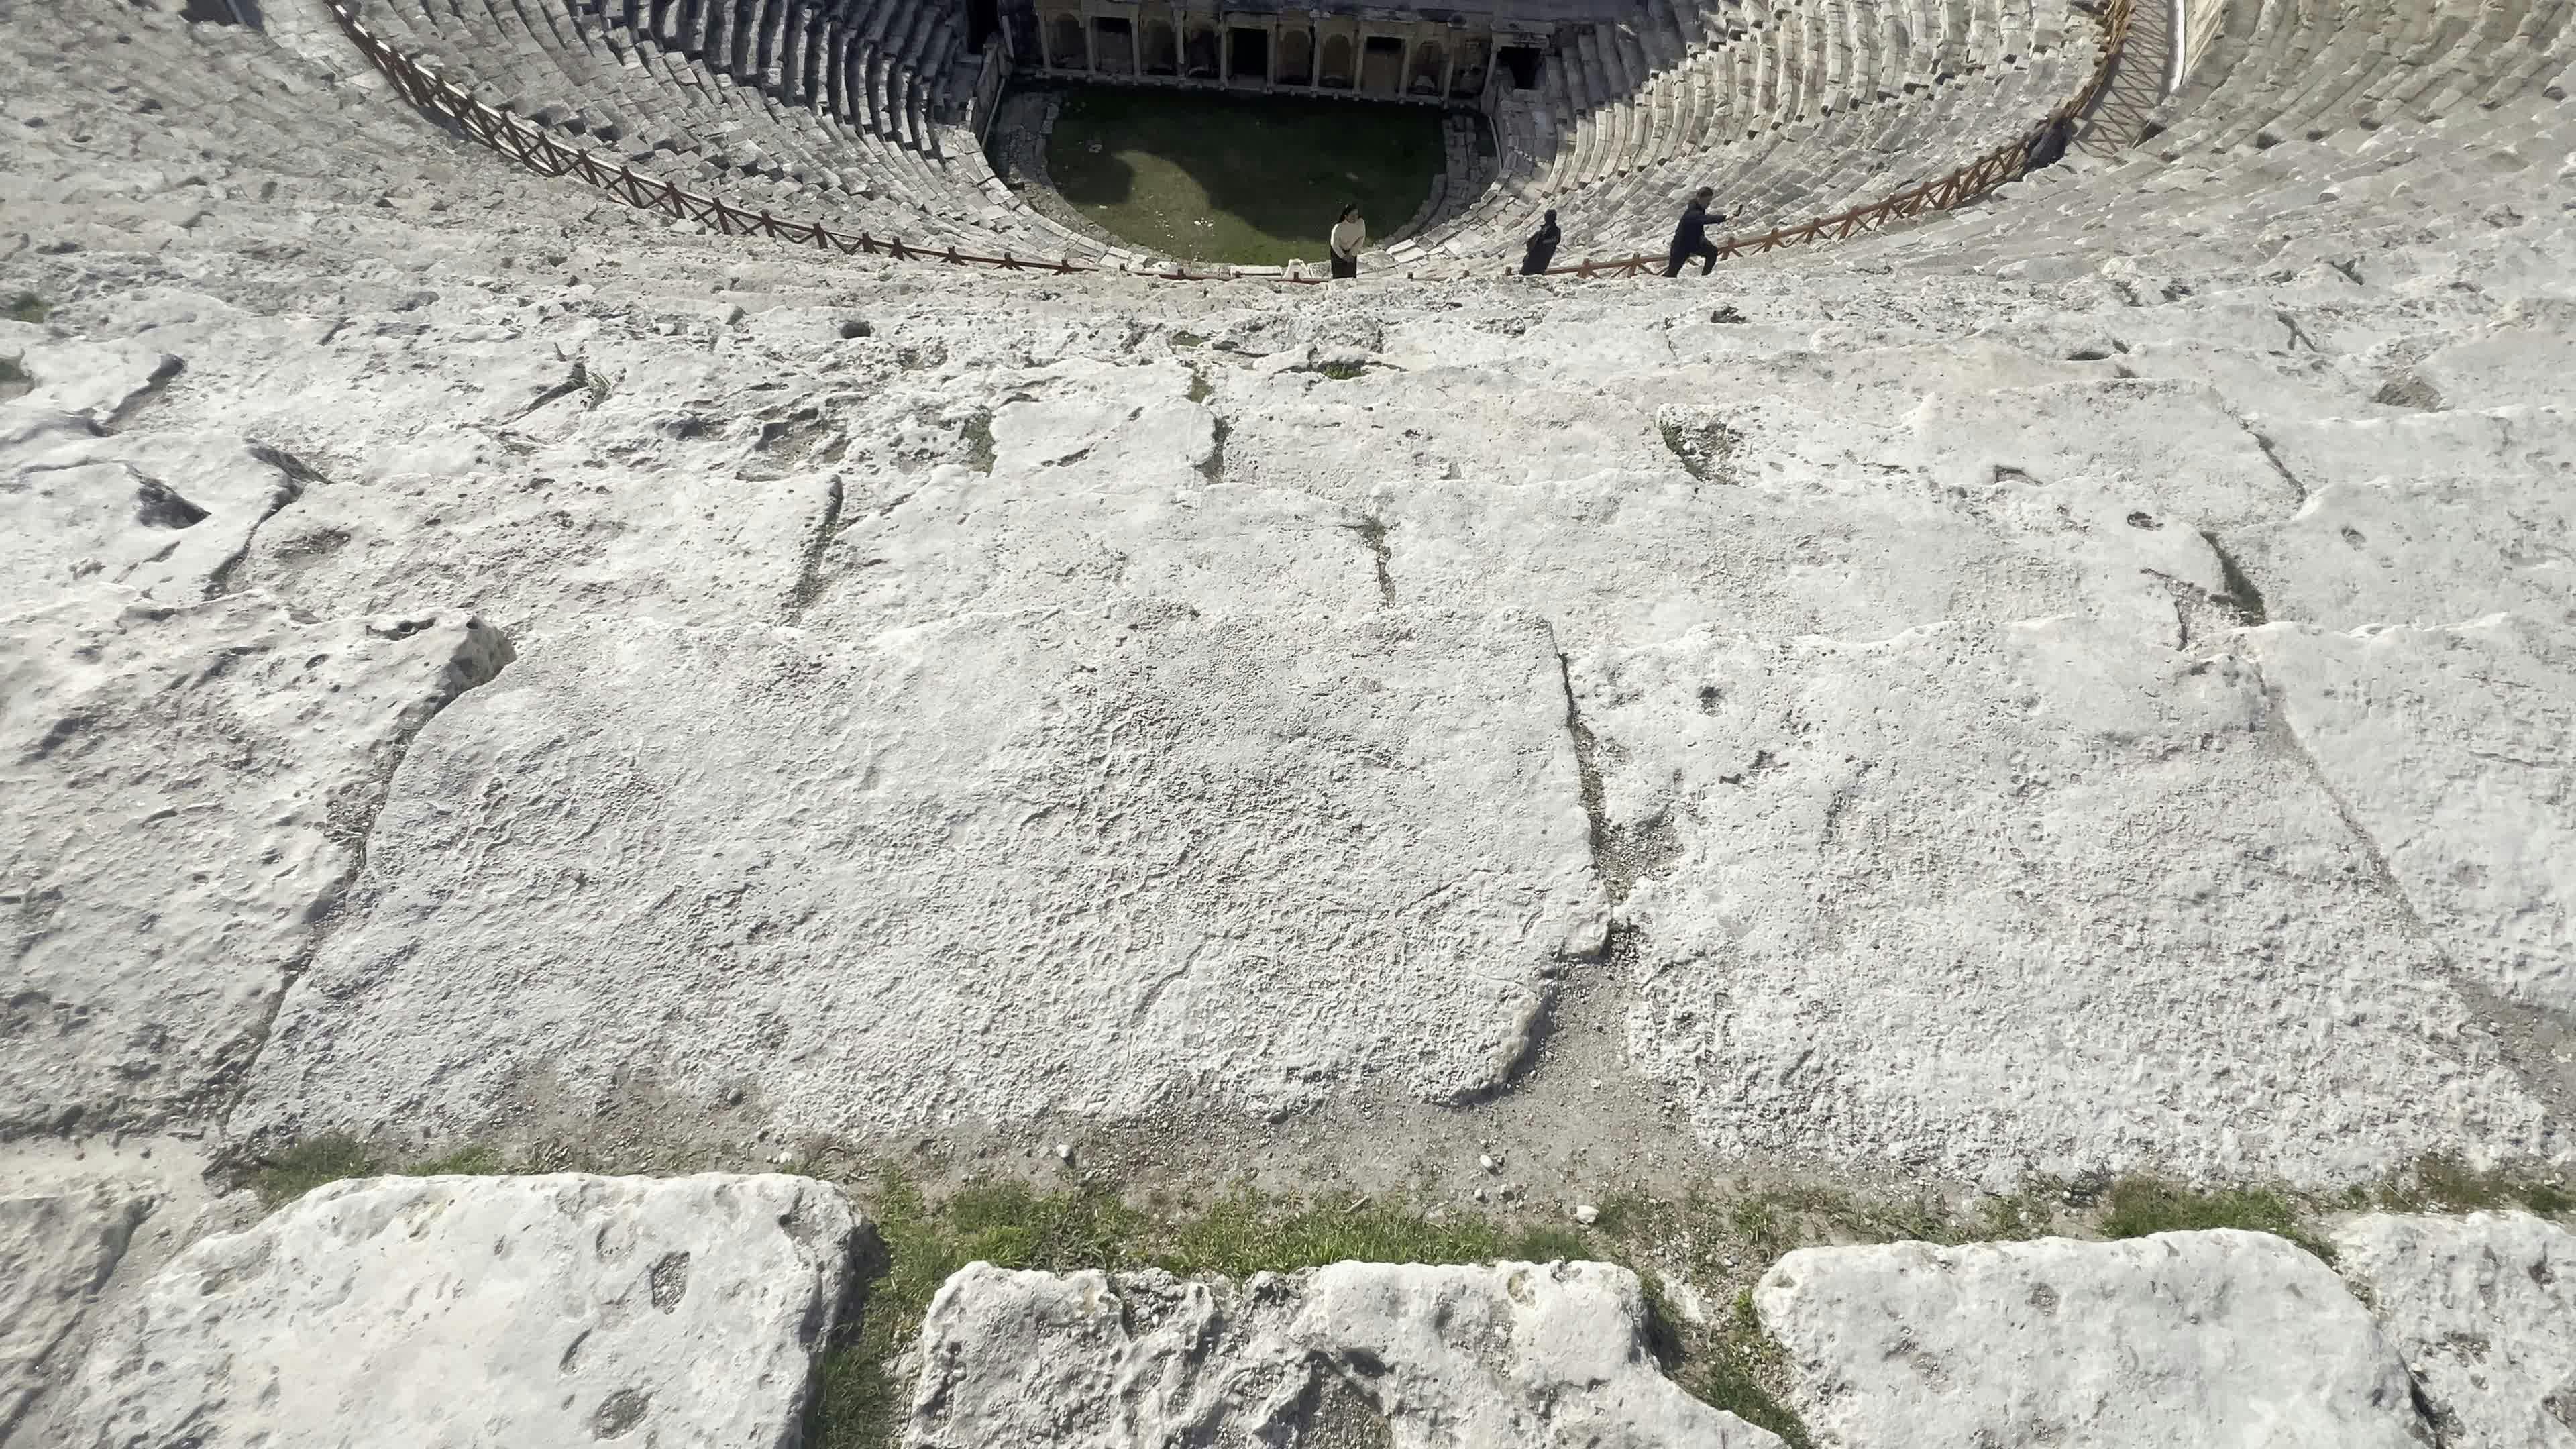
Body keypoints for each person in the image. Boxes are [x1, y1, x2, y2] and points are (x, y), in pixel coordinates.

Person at [1664, 187, 1724, 277]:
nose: (1709, 203)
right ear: (1699, 199)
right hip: (1681, 246)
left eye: (1710, 200)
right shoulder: (1693, 213)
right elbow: (1705, 219)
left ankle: (1706, 276)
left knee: (1712, 251)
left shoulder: (1699, 207)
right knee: (1672, 273)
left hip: (1694, 243)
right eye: (1707, 200)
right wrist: (1725, 217)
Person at [1328, 204, 1364, 280]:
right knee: (1338, 276)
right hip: (1338, 252)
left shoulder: (1361, 223)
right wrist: (1343, 256)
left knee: (1351, 276)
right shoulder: (1338, 228)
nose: (1355, 218)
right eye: (1352, 216)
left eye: (1356, 215)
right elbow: (1334, 244)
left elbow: (1361, 238)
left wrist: (1352, 253)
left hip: (1352, 250)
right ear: (1346, 216)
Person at [1519, 209, 1561, 275]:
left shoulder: (1555, 230)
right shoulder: (1543, 229)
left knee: (1535, 274)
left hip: (1542, 257)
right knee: (1524, 274)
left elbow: (1555, 240)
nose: (1546, 218)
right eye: (1546, 216)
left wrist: (1541, 241)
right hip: (1533, 256)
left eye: (1548, 216)